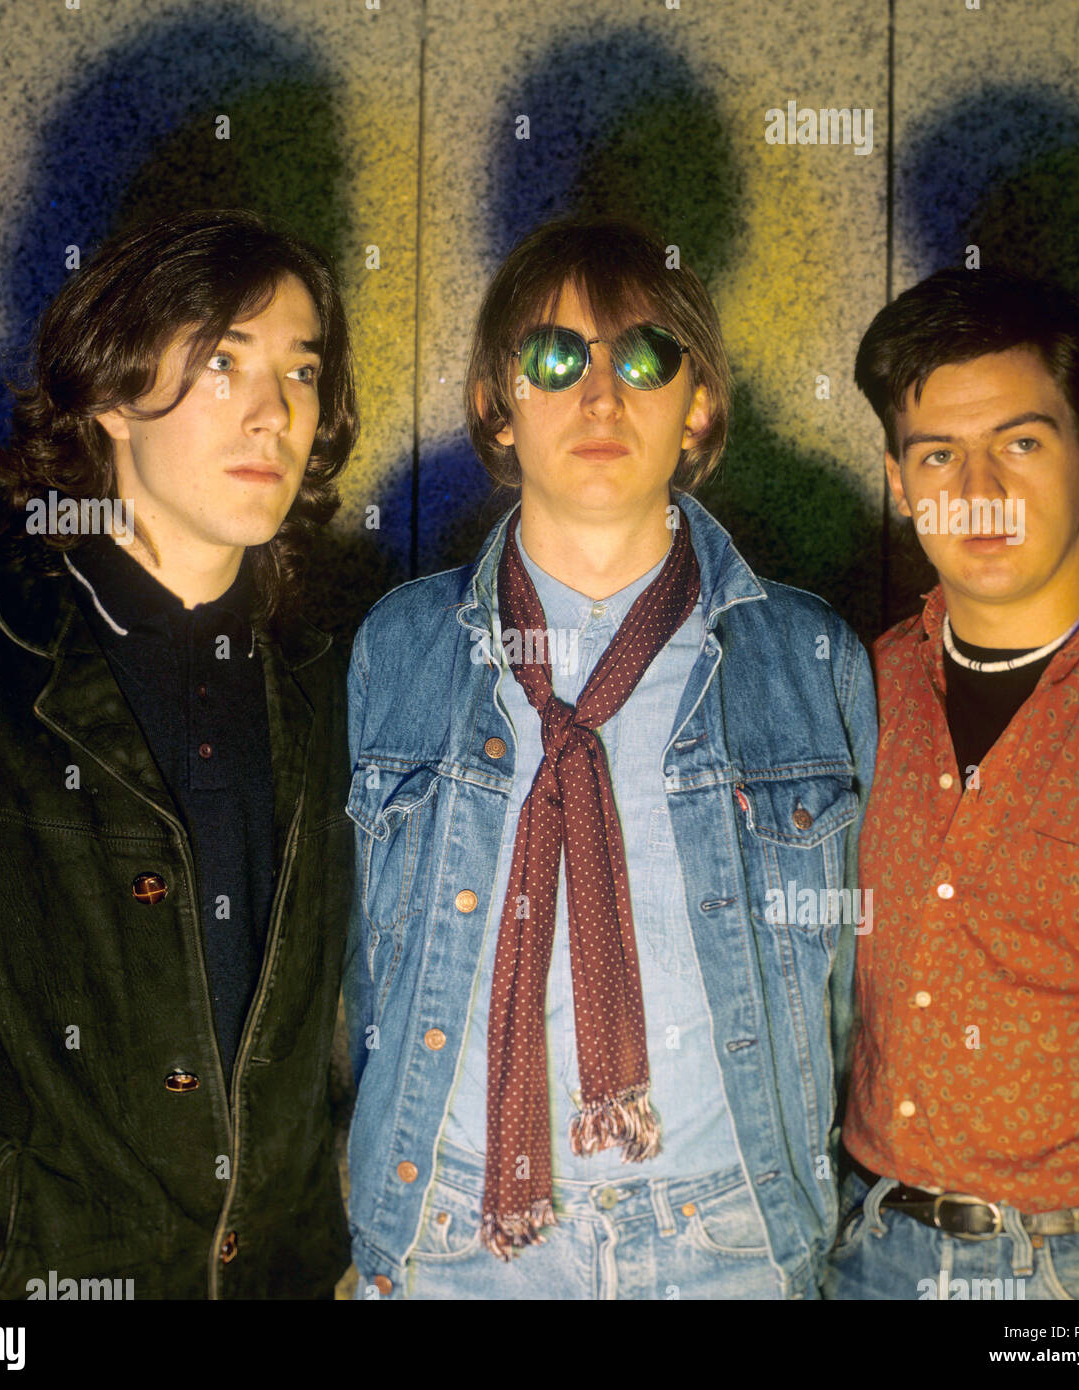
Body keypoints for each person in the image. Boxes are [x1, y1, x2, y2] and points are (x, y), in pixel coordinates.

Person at [343, 218, 876, 1300]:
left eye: (644, 358)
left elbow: (866, 988)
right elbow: (339, 971)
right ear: (498, 407)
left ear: (700, 407)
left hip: (729, 1236)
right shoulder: (398, 646)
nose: (600, 396)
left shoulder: (808, 656)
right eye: (554, 358)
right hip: (454, 1235)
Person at [0, 208, 358, 1299]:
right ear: (108, 391)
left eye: (300, 370)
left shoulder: (338, 678)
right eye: (223, 362)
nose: (275, 411)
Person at [826, 267, 1079, 1301]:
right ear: (897, 479)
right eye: (939, 455)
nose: (976, 490)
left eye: (1019, 444)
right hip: (879, 1251)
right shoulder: (853, 689)